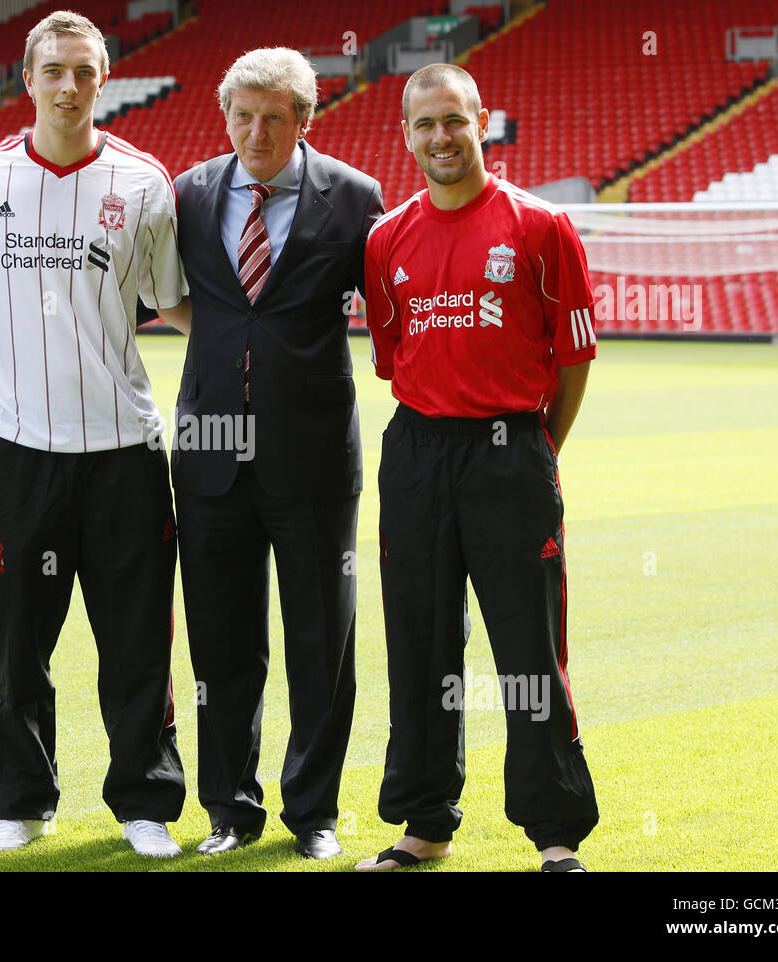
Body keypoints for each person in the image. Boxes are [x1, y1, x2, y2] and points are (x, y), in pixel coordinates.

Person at [0, 10, 190, 858]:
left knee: (137, 641)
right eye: (52, 70)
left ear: (103, 79)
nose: (68, 85)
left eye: (83, 71)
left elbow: (172, 303)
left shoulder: (144, 182)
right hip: (16, 453)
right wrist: (8, 332)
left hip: (123, 450)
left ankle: (145, 804)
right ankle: (20, 802)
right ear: (28, 79)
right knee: (18, 643)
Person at [355, 63, 600, 873]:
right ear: (405, 136)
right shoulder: (385, 238)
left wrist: (534, 450)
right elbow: (396, 362)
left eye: (454, 121)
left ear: (482, 121)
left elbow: (572, 360)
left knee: (529, 647)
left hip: (512, 454)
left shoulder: (540, 226)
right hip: (418, 452)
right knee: (420, 644)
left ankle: (555, 830)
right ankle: (425, 823)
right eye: (424, 125)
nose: (440, 138)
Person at [170, 48, 384, 859]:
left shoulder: (355, 197)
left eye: (274, 116)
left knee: (321, 645)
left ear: (305, 120)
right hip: (209, 454)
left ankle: (315, 815)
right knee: (221, 645)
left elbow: (392, 306)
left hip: (315, 459)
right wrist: (236, 347)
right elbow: (177, 299)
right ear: (225, 116)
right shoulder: (189, 193)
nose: (256, 131)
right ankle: (229, 810)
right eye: (242, 115)